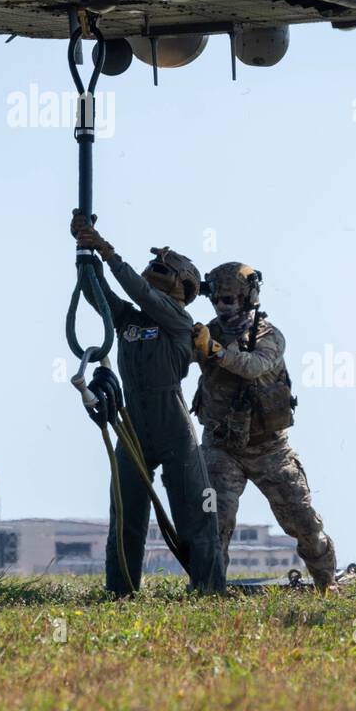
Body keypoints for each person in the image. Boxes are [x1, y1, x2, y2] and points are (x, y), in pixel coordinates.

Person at [71, 215, 226, 595]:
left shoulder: (178, 319)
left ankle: (208, 590)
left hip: (172, 424)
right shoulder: (129, 320)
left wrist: (106, 250)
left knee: (195, 513)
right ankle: (120, 590)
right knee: (126, 513)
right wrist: (83, 251)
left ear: (184, 284)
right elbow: (97, 295)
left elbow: (143, 293)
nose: (158, 268)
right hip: (133, 423)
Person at [191, 262, 339, 593]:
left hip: (269, 450)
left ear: (247, 298)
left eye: (229, 299)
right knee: (214, 522)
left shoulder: (268, 336)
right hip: (221, 448)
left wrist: (213, 351)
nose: (221, 306)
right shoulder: (205, 333)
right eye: (217, 299)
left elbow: (253, 366)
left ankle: (327, 585)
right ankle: (208, 590)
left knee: (303, 523)